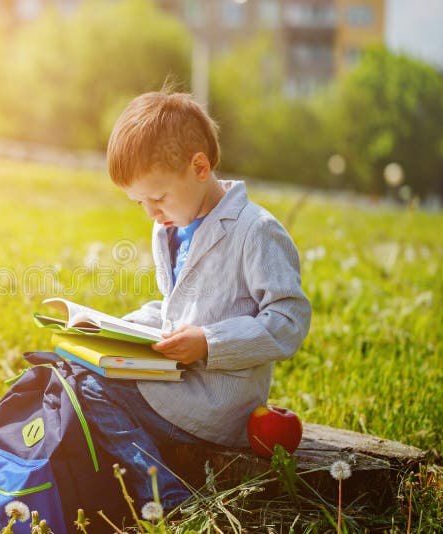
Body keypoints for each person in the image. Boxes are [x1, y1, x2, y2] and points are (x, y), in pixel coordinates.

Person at [77, 89, 312, 512]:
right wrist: (114, 330)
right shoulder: (170, 227)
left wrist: (208, 342)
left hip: (217, 403)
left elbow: (288, 320)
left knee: (91, 390)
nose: (150, 212)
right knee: (70, 371)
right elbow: (175, 307)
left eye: (158, 197)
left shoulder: (256, 230)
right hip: (172, 381)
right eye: (139, 202)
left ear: (199, 167)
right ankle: (50, 483)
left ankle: (168, 499)